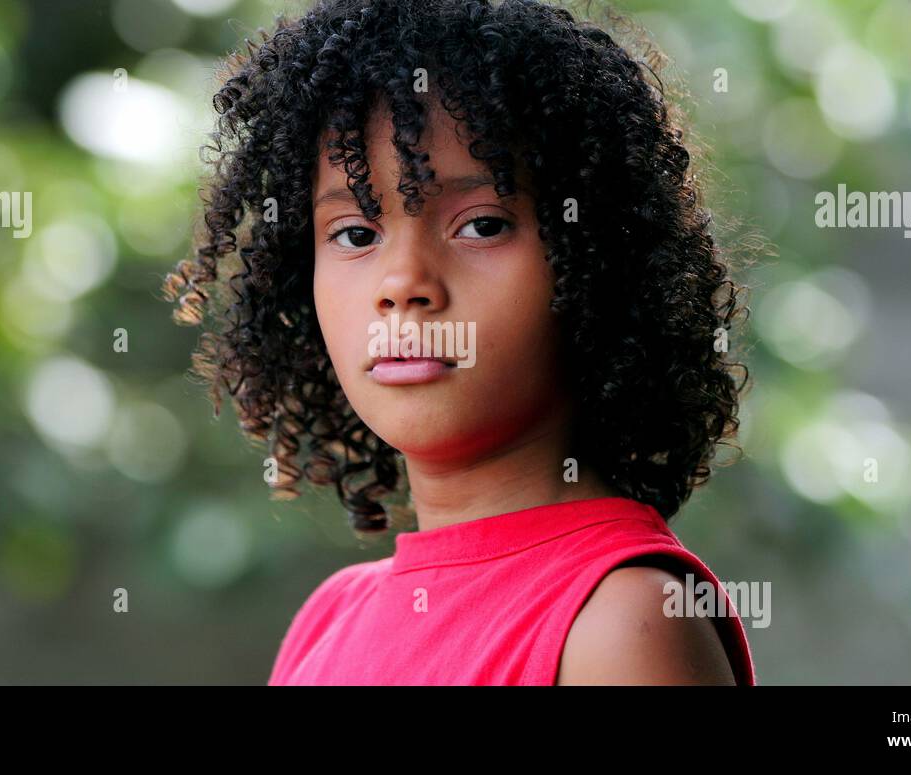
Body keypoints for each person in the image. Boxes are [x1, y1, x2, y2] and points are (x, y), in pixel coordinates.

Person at [164, 0, 755, 685]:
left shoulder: (624, 618)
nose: (403, 284)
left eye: (480, 225)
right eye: (355, 234)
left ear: (595, 259)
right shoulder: (328, 621)